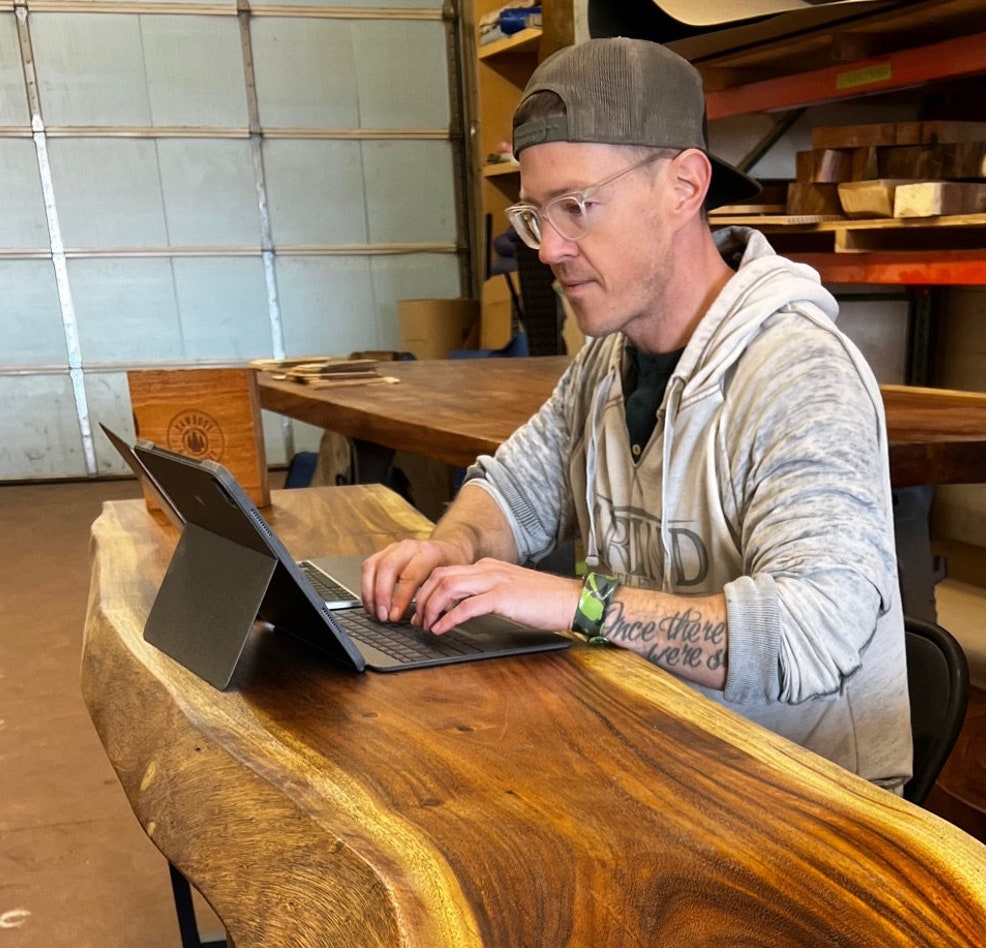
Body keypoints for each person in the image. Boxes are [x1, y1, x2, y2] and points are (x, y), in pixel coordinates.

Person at [362, 36, 911, 788]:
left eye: (578, 207)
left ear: (684, 186)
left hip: (802, 798)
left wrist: (579, 607)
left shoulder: (798, 374)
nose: (551, 249)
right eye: (534, 216)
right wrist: (452, 545)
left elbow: (811, 636)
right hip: (658, 745)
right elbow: (517, 488)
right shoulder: (606, 360)